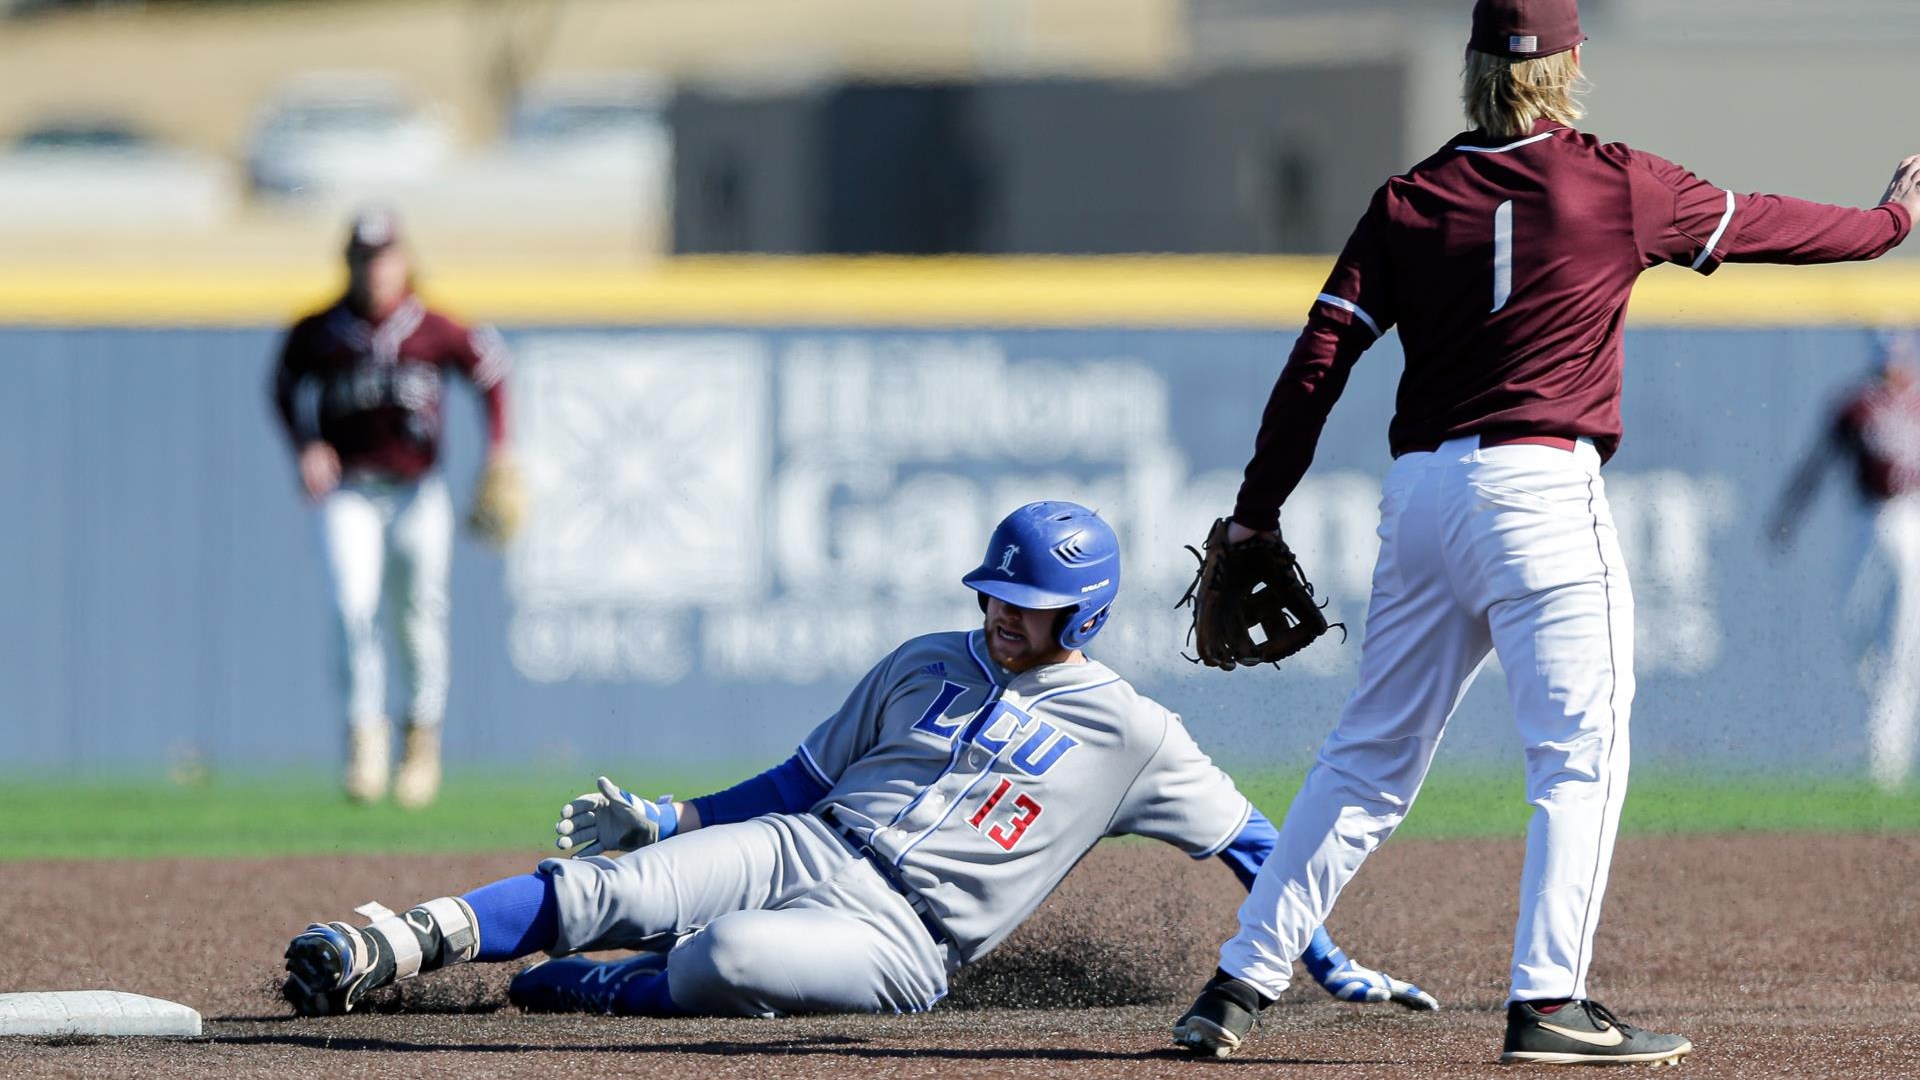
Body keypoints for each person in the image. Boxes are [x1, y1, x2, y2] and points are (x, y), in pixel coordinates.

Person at [1171, 0, 1920, 1067]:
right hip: (1541, 490)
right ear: (1573, 63)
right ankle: (1548, 999)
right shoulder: (1616, 181)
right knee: (1580, 757)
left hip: (1424, 498)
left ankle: (1240, 982)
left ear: (1474, 67)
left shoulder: (1409, 197)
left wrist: (1256, 508)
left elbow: (1317, 365)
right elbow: (1771, 226)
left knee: (1366, 760)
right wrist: (1889, 223)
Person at [280, 501, 1439, 1019]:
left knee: (725, 957)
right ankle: (395, 940)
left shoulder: (1134, 735)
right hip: (807, 840)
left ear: (1081, 618)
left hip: (902, 940)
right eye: (994, 592)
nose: (999, 615)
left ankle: (615, 984)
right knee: (610, 887)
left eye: (1025, 604)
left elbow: (1254, 845)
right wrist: (675, 815)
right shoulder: (925, 659)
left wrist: (1329, 966)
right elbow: (796, 786)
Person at [270, 208, 521, 809]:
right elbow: (282, 384)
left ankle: (421, 741)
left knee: (419, 617)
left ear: (402, 260)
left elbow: (493, 370)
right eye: (363, 257)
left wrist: (501, 449)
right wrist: (306, 443)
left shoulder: (431, 327)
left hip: (417, 492)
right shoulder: (322, 330)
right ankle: (365, 739)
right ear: (348, 263)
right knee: (352, 608)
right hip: (350, 492)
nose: (373, 268)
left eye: (383, 256)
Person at [1770, 331, 1920, 791]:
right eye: (1887, 356)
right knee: (1855, 628)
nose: (1893, 365)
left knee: (1902, 642)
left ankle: (1887, 759)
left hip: (1912, 519)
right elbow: (1819, 463)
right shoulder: (1854, 404)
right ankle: (1881, 724)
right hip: (1867, 520)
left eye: (1900, 356)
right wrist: (1789, 514)